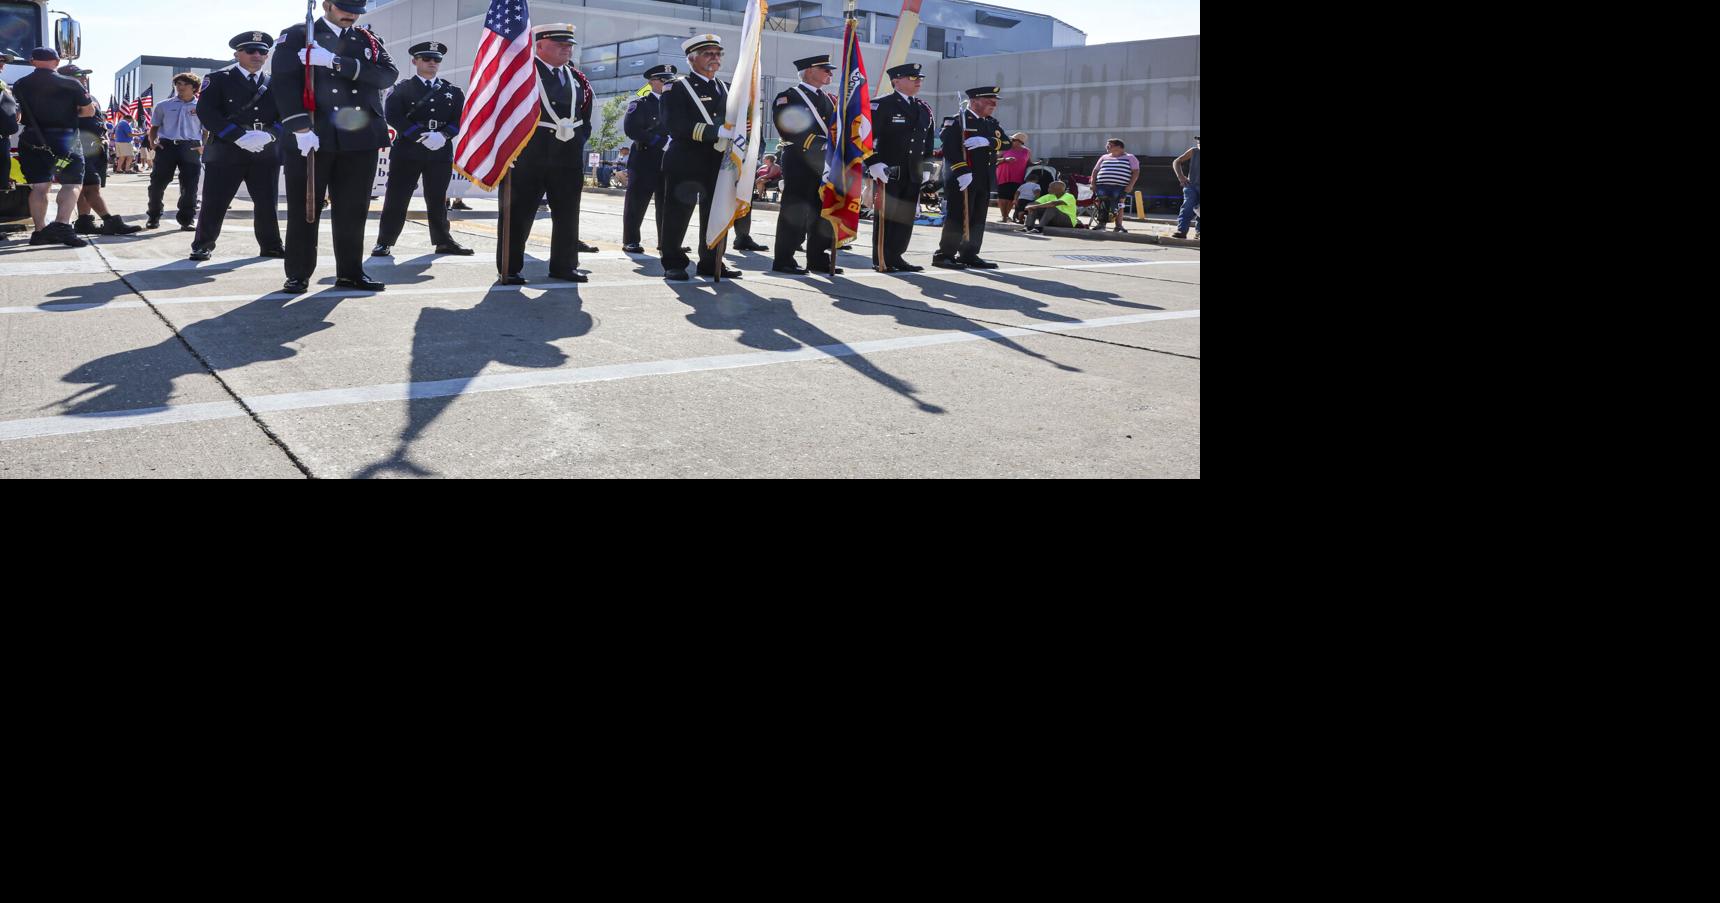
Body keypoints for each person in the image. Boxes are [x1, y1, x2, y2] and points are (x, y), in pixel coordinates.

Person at [273, 0, 400, 294]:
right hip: (313, 136)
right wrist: (300, 128)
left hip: (360, 136)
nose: (352, 15)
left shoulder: (367, 38)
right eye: (345, 9)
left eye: (357, 11)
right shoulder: (298, 36)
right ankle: (298, 273)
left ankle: (350, 272)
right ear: (327, 5)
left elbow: (387, 75)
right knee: (306, 208)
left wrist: (334, 61)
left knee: (353, 209)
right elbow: (283, 84)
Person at [495, 23, 593, 286]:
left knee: (568, 214)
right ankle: (510, 267)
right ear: (539, 46)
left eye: (569, 44)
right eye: (560, 44)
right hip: (529, 154)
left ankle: (564, 266)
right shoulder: (523, 73)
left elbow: (585, 115)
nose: (567, 48)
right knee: (518, 213)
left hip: (567, 155)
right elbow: (505, 110)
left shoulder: (576, 78)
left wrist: (577, 140)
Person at [657, 34, 747, 281]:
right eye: (708, 54)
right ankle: (673, 262)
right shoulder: (676, 86)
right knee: (678, 212)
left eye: (718, 54)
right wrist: (714, 131)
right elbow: (673, 123)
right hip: (686, 158)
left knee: (717, 211)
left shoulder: (727, 88)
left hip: (718, 160)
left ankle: (712, 261)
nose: (715, 58)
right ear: (692, 59)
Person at [191, 31, 286, 261]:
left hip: (264, 149)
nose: (257, 55)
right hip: (227, 149)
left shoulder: (276, 81)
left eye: (262, 51)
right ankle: (203, 244)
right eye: (250, 50)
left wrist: (271, 135)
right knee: (215, 201)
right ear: (237, 54)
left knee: (267, 202)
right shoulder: (219, 78)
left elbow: (287, 114)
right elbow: (206, 112)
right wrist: (237, 136)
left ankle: (271, 245)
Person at [374, 40, 472, 258]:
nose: (432, 63)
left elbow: (461, 117)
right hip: (408, 151)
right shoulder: (402, 88)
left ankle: (443, 241)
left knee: (437, 198)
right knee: (397, 197)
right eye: (426, 59)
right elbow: (392, 115)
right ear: (415, 61)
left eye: (436, 59)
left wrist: (444, 135)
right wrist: (419, 136)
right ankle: (385, 241)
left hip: (440, 150)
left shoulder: (452, 91)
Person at [9, 48, 95, 247]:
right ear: (56, 61)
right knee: (71, 183)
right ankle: (62, 226)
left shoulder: (21, 84)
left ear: (32, 62)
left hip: (32, 138)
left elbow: (19, 114)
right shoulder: (71, 83)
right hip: (64, 139)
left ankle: (40, 231)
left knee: (39, 187)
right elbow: (88, 111)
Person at [769, 53, 839, 275]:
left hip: (824, 162)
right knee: (795, 209)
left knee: (823, 210)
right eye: (825, 69)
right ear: (809, 71)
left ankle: (818, 259)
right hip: (799, 158)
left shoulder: (829, 99)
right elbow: (786, 125)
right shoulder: (789, 97)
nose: (830, 73)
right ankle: (784, 259)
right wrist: (820, 142)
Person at [863, 62, 935, 273]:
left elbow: (927, 141)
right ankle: (882, 258)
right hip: (888, 172)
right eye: (913, 78)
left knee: (905, 217)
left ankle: (897, 256)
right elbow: (865, 137)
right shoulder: (881, 104)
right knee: (887, 215)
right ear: (896, 81)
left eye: (919, 78)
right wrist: (873, 162)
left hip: (913, 172)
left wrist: (928, 167)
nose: (918, 81)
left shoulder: (923, 108)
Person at [56, 65, 143, 237]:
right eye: (79, 75)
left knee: (86, 187)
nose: (84, 78)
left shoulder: (88, 95)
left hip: (95, 147)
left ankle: (84, 221)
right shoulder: (62, 97)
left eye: (85, 76)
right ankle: (111, 221)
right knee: (91, 187)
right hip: (77, 146)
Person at [934, 86, 1009, 270]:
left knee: (977, 217)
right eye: (989, 101)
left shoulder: (990, 123)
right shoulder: (957, 121)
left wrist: (989, 142)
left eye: (995, 101)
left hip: (983, 177)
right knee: (957, 216)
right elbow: (950, 150)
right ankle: (944, 255)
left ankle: (969, 253)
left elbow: (1006, 142)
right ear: (974, 101)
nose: (994, 104)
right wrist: (962, 171)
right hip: (961, 177)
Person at [145, 72, 204, 231]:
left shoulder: (202, 106)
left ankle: (187, 219)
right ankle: (153, 215)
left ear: (194, 88)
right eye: (178, 84)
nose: (180, 87)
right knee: (157, 184)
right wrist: (153, 143)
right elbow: (154, 127)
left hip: (191, 147)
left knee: (190, 186)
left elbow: (207, 130)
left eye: (185, 84)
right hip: (167, 147)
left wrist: (203, 146)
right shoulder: (163, 105)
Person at [1088, 137, 1139, 234]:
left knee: (1119, 205)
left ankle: (1118, 226)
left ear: (1119, 147)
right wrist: (1092, 183)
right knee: (1102, 203)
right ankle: (1101, 224)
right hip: (1102, 185)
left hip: (1120, 186)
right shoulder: (1104, 157)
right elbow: (1095, 170)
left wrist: (1130, 185)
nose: (1106, 147)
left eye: (1109, 145)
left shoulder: (1130, 157)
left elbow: (1136, 172)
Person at [995, 132, 1030, 224]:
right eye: (1012, 139)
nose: (1011, 141)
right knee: (1002, 196)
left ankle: (1007, 216)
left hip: (1018, 177)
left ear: (1020, 142)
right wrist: (1005, 160)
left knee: (1011, 197)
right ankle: (1004, 216)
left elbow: (1029, 163)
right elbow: (994, 159)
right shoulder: (1005, 149)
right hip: (1003, 175)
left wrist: (1037, 164)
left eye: (1013, 140)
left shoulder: (1026, 151)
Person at [1171, 135, 1199, 239]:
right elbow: (1176, 161)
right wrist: (1181, 177)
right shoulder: (1194, 151)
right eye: (1198, 141)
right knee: (1187, 206)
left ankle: (1199, 232)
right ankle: (1181, 231)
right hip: (1191, 185)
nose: (1199, 143)